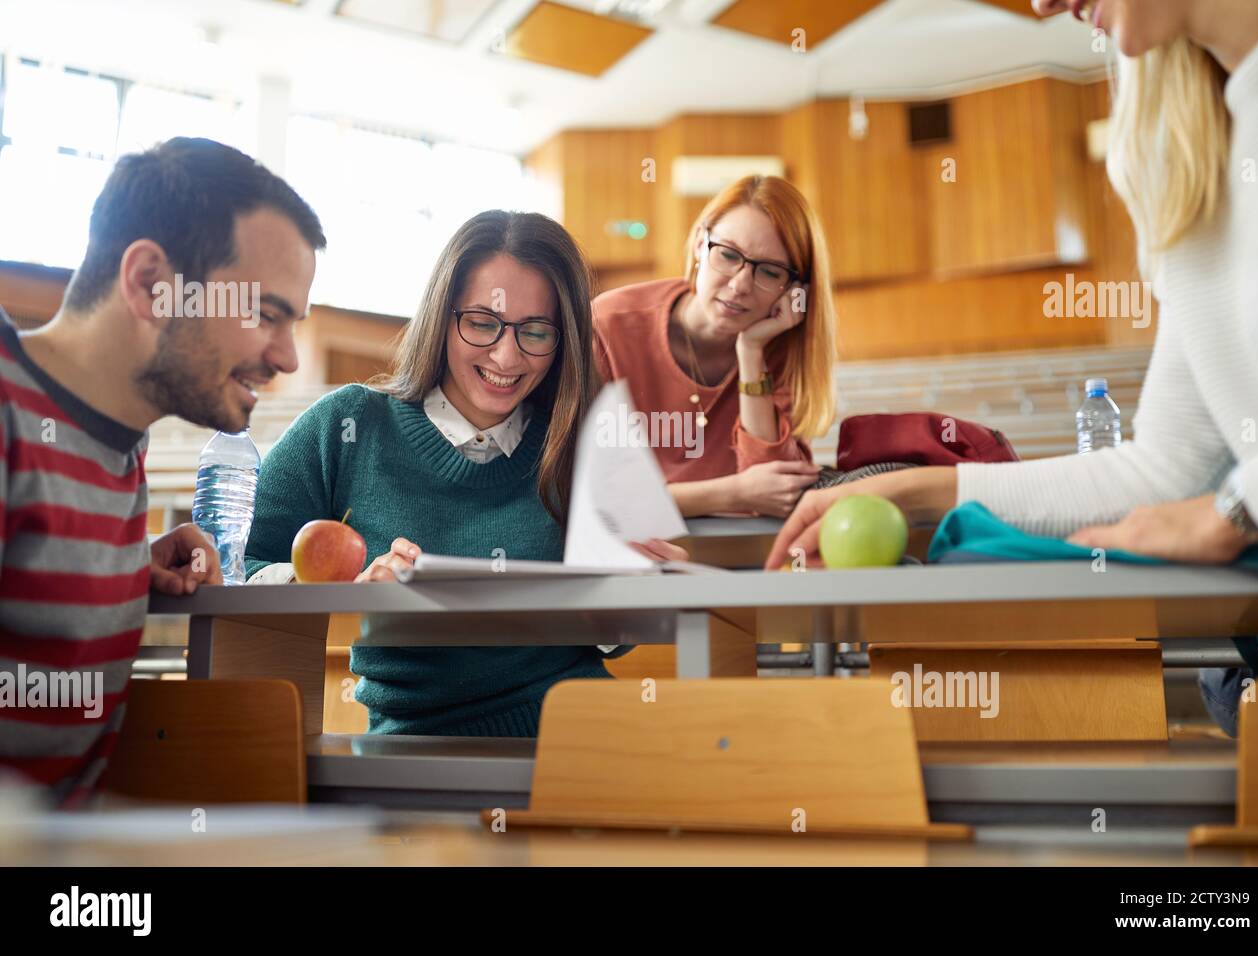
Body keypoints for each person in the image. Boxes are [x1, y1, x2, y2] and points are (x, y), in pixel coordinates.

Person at [767, 0, 1258, 735]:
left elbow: (1213, 501)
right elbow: (1168, 470)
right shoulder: (1195, 162)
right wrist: (913, 493)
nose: (1044, 5)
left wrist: (1235, 509)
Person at [244, 210, 681, 737]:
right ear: (441, 316)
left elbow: (615, 638)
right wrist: (341, 586)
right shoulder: (347, 425)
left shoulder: (587, 438)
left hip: (579, 740)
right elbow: (239, 563)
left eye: (536, 332)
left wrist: (633, 591)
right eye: (481, 323)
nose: (506, 355)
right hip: (409, 750)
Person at [0, 137, 325, 805]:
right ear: (153, 285)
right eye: (265, 314)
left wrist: (121, 569)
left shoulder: (119, 443)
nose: (289, 358)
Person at [593, 175, 836, 518]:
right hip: (631, 554)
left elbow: (779, 496)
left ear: (795, 288)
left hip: (743, 558)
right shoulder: (608, 324)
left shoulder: (782, 350)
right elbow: (589, 494)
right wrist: (733, 494)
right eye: (728, 254)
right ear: (698, 243)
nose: (740, 285)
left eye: (769, 272)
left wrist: (751, 352)